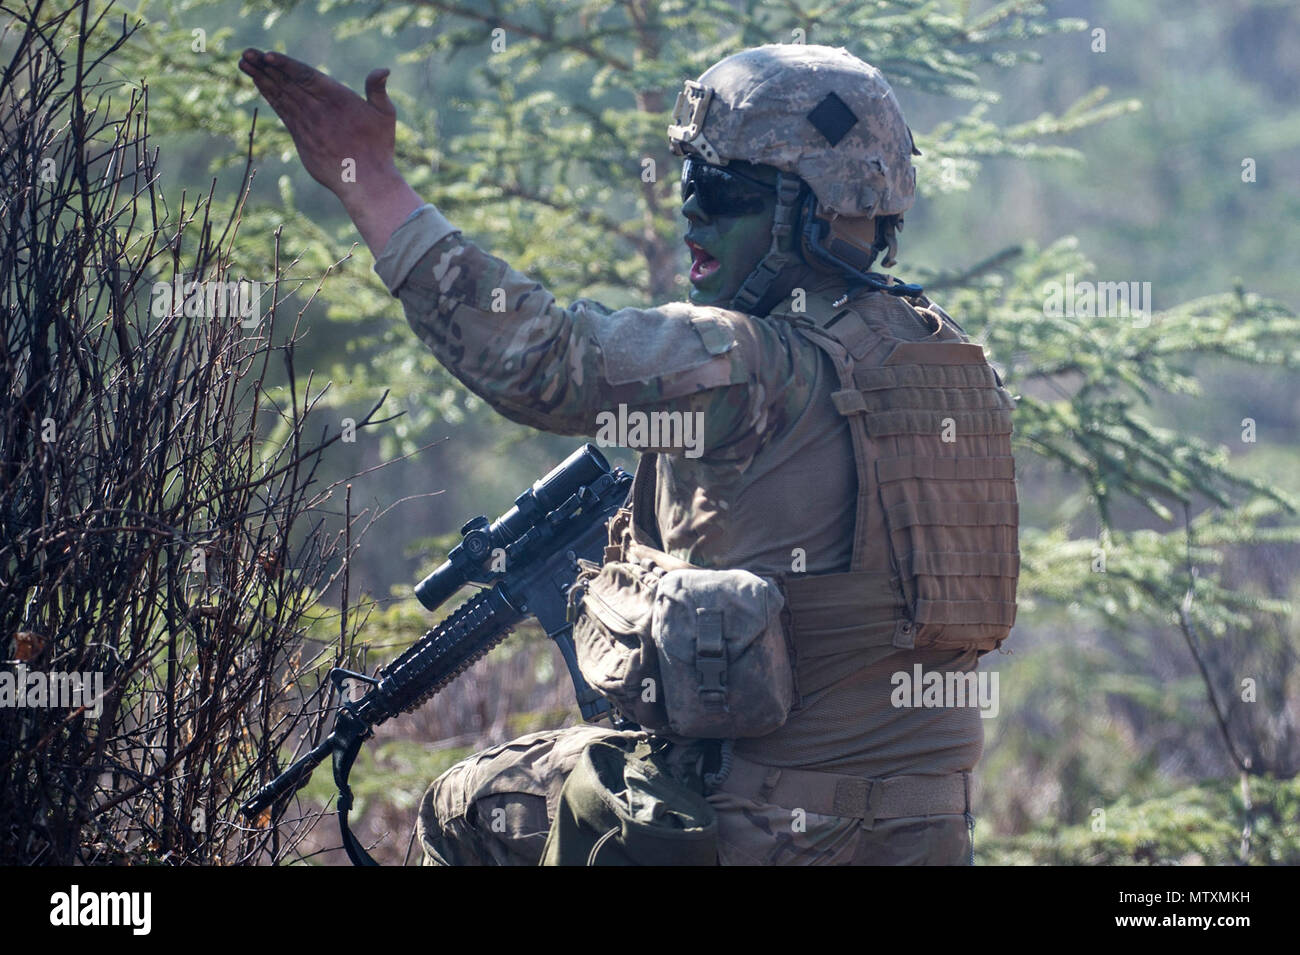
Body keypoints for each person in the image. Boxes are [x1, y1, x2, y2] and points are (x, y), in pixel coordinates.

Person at [239, 41, 1018, 866]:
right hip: (925, 833)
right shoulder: (960, 369)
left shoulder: (751, 364)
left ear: (815, 212)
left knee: (464, 805)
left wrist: (372, 181)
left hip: (761, 828)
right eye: (687, 183)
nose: (692, 214)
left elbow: (538, 357)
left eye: (720, 191)